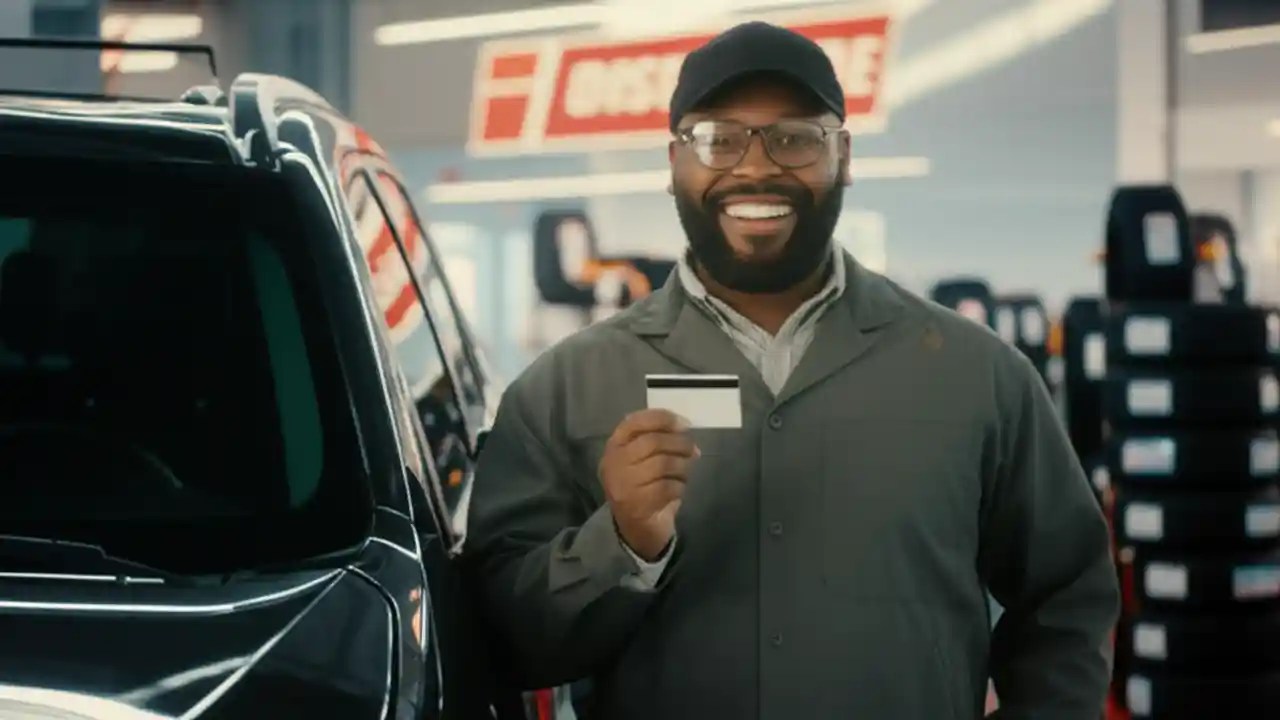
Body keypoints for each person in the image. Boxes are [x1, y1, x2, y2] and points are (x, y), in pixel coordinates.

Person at [465, 20, 1120, 720]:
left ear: (843, 154)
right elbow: (501, 641)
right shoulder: (564, 393)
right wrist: (621, 543)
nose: (755, 168)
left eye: (795, 138)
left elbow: (1067, 599)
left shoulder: (979, 378)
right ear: (673, 161)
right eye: (717, 138)